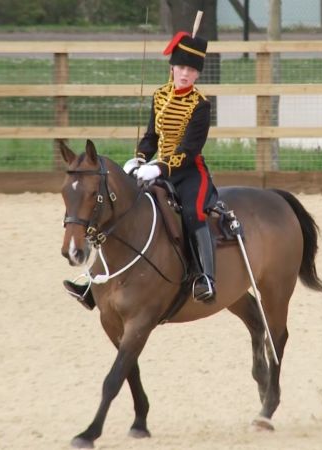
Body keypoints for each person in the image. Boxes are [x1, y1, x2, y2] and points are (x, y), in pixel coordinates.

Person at [63, 30, 218, 308]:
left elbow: (190, 149)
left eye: (192, 70)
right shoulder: (159, 96)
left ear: (197, 75)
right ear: (172, 68)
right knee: (121, 208)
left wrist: (159, 168)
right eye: (181, 67)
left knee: (194, 213)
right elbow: (151, 137)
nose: (185, 74)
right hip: (155, 169)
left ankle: (206, 276)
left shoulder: (201, 105)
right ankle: (93, 283)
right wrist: (140, 158)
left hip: (189, 172)